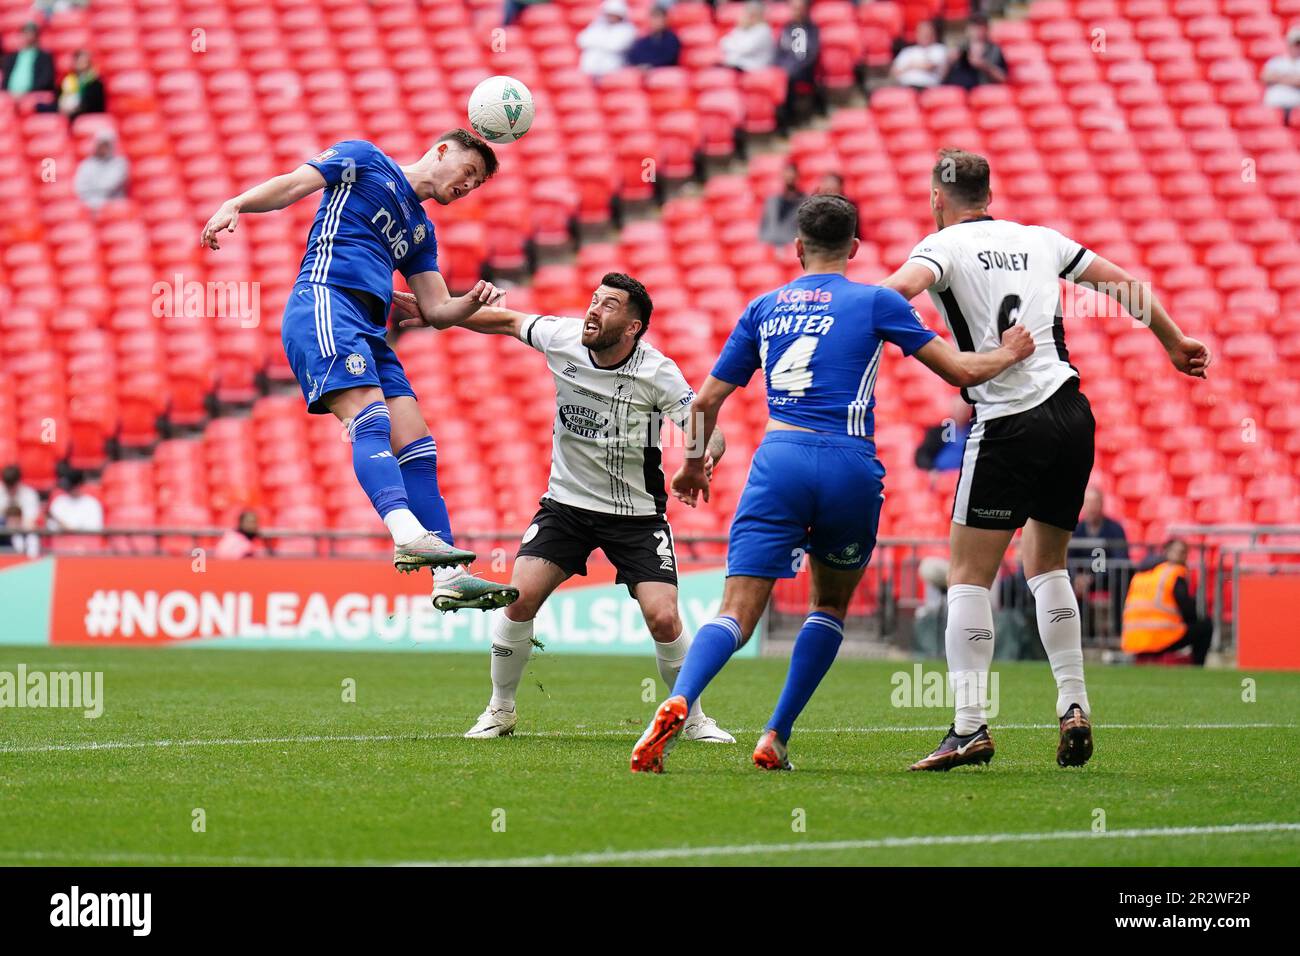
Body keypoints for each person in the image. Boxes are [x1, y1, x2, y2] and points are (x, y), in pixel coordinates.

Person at [629, 194, 1035, 774]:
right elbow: (962, 372)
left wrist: (693, 465)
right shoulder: (877, 301)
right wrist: (1009, 352)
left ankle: (678, 700)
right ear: (855, 249)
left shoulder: (763, 306)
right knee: (828, 604)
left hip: (781, 458)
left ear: (797, 249)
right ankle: (776, 734)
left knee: (735, 614)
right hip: (849, 463)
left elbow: (705, 402)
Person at [882, 148, 1210, 771]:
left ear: (936, 198)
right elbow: (1124, 286)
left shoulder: (941, 246)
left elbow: (893, 295)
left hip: (1006, 420)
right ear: (989, 192)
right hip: (1070, 414)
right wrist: (1174, 340)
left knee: (968, 576)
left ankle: (970, 725)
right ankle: (1073, 705)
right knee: (1046, 567)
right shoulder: (1040, 238)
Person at [396, 274, 735, 743]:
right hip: (566, 506)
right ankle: (500, 710)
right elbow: (507, 320)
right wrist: (442, 312)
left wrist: (701, 461)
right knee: (519, 600)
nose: (594, 311)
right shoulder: (563, 337)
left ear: (633, 327)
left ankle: (693, 716)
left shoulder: (657, 371)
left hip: (635, 517)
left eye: (609, 306)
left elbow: (704, 423)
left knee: (663, 617)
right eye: (594, 300)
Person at [200, 130, 519, 611]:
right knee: (371, 419)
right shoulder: (363, 159)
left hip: (371, 329)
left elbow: (435, 310)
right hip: (326, 301)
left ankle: (450, 576)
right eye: (468, 172)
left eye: (476, 185)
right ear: (441, 150)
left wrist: (469, 301)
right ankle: (407, 533)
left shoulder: (420, 231)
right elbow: (291, 186)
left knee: (417, 441)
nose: (467, 186)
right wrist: (236, 204)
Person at [1121, 538, 1211, 666]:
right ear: (1167, 552)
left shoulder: (1140, 574)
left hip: (1132, 640)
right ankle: (1197, 665)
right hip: (1160, 638)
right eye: (1180, 552)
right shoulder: (1174, 572)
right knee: (1205, 626)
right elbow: (1187, 609)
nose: (1183, 556)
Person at [1068, 486, 1129, 635]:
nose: (1091, 508)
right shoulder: (1076, 529)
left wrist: (1094, 578)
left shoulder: (1115, 529)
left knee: (1121, 583)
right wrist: (1077, 577)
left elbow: (1120, 560)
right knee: (1067, 586)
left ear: (1102, 505)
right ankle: (1080, 634)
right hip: (1082, 580)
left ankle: (1118, 633)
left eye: (1095, 503)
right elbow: (1068, 558)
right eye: (1087, 503)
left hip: (1109, 578)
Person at [775, 0, 822, 126]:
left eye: (798, 8)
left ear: (806, 10)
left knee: (789, 78)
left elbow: (811, 55)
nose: (795, 12)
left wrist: (791, 69)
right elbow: (780, 51)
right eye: (793, 8)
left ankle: (788, 119)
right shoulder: (787, 28)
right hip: (785, 69)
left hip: (804, 70)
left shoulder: (811, 29)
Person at [577, 0, 636, 79]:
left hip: (612, 69)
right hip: (589, 69)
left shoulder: (627, 30)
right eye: (609, 14)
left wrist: (596, 42)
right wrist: (604, 43)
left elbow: (616, 46)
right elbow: (581, 40)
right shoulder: (597, 26)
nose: (611, 17)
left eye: (614, 14)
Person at [74, 129, 129, 210]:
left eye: (107, 145)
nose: (104, 148)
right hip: (89, 205)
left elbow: (109, 186)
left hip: (113, 206)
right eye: (102, 144)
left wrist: (93, 188)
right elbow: (79, 187)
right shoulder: (86, 164)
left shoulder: (119, 163)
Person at [914, 396, 971, 472]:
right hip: (941, 475)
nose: (960, 413)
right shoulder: (938, 432)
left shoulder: (976, 430)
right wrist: (931, 470)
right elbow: (922, 455)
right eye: (957, 410)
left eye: (963, 410)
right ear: (952, 410)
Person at [890, 20, 948, 91]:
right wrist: (918, 66)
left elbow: (929, 66)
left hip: (928, 88)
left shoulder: (938, 49)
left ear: (933, 34)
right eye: (921, 32)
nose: (924, 35)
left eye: (927, 32)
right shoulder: (907, 51)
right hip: (906, 87)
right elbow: (895, 71)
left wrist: (909, 66)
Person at [1, 22, 56, 97]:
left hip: (33, 95)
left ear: (37, 36)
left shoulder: (44, 57)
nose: (28, 36)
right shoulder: (12, 57)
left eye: (31, 33)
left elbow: (46, 79)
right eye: (26, 33)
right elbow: (5, 80)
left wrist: (27, 93)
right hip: (10, 96)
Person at [720, 1, 775, 73]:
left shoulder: (763, 30)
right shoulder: (742, 27)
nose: (747, 16)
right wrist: (740, 30)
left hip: (755, 69)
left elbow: (745, 49)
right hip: (737, 66)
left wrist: (734, 45)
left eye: (752, 14)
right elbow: (723, 43)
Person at [758, 163, 805, 246]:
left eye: (792, 174)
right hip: (770, 244)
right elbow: (764, 226)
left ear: (797, 176)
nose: (789, 177)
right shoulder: (772, 201)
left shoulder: (804, 201)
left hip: (790, 245)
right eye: (787, 174)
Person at [1262, 27, 1300, 115]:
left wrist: (1278, 78)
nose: (1297, 48)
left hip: (1295, 107)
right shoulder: (1277, 61)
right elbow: (1266, 77)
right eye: (1295, 44)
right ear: (1289, 45)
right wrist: (1292, 79)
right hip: (1274, 105)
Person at [58, 48, 104, 119]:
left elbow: (94, 105)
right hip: (68, 113)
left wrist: (77, 108)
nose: (81, 63)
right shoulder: (69, 80)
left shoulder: (95, 82)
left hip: (87, 115)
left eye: (83, 61)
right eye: (78, 60)